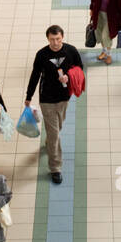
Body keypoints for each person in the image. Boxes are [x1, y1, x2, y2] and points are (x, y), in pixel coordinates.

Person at [25, 25, 84, 183]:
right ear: (48, 39)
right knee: (55, 134)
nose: (56, 42)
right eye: (52, 39)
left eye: (58, 39)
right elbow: (35, 75)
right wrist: (29, 95)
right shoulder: (42, 54)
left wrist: (69, 78)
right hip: (47, 98)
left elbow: (79, 68)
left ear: (62, 37)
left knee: (58, 126)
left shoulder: (71, 51)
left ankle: (49, 140)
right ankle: (55, 167)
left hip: (64, 97)